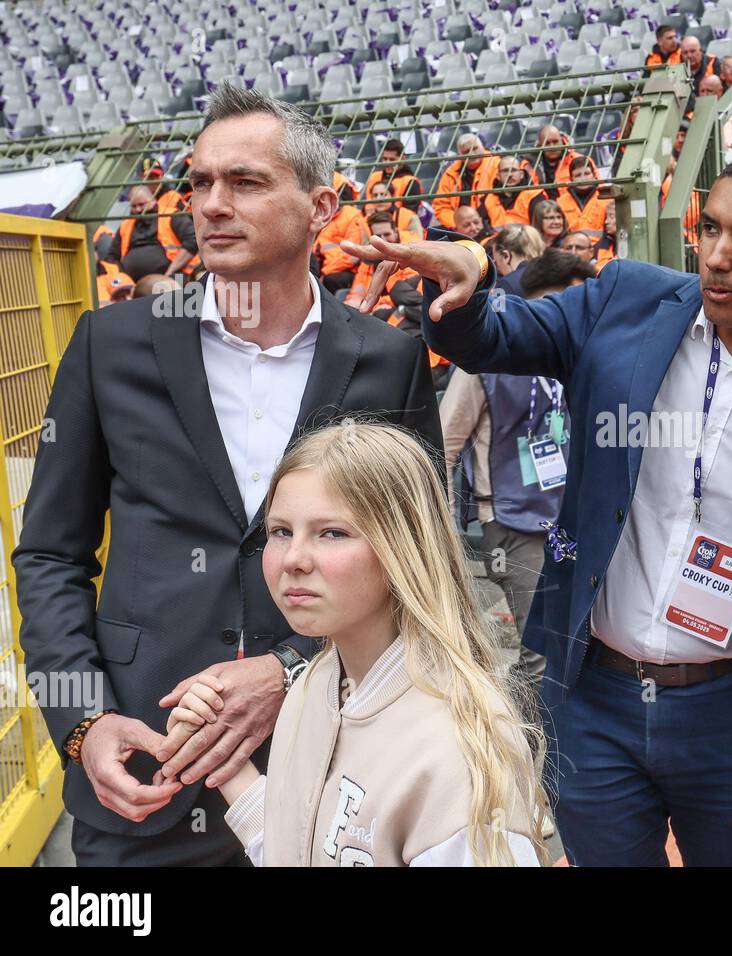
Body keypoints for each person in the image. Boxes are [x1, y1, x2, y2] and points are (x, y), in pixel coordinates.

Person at [343, 147, 732, 867]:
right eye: (713, 229)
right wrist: (470, 284)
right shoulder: (627, 300)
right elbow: (498, 336)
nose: (719, 257)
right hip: (593, 695)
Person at [13, 82, 443, 867]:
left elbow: (424, 570)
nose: (210, 204)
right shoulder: (110, 346)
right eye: (199, 182)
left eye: (245, 182)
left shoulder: (388, 361)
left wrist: (287, 671)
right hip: (144, 773)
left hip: (337, 773)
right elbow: (48, 555)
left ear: (321, 208)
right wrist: (85, 724)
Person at [162, 423, 545, 865]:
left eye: (333, 533)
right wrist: (219, 751)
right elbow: (298, 846)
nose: (294, 560)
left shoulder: (458, 751)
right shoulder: (313, 685)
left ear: (404, 546)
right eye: (281, 531)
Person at [439, 251, 594, 703]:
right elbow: (445, 446)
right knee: (539, 652)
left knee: (578, 645)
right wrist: (447, 533)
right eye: (559, 305)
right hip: (513, 522)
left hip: (573, 516)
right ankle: (532, 760)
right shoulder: (483, 363)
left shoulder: (585, 354)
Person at [104, 184, 200, 281]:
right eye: (134, 206)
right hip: (133, 284)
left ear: (153, 200)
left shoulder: (171, 216)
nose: (138, 209)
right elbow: (111, 256)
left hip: (176, 274)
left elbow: (192, 241)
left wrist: (170, 272)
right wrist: (123, 279)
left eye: (142, 205)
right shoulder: (126, 225)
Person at [434, 133, 500, 228]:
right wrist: (459, 225)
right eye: (466, 152)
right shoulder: (451, 173)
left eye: (475, 148)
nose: (471, 154)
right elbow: (442, 207)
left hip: (490, 223)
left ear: (483, 147)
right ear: (460, 155)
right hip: (459, 228)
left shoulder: (497, 165)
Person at [315, 199, 366, 295]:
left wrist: (325, 272)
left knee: (330, 280)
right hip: (325, 266)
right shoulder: (321, 217)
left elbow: (351, 256)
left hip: (346, 269)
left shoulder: (352, 216)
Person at [485, 154, 546, 227]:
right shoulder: (489, 199)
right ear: (498, 176)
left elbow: (540, 226)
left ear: (521, 174)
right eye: (505, 171)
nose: (510, 174)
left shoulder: (534, 195)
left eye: (513, 170)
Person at [488, 223, 548, 297]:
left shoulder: (508, 283)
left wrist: (490, 298)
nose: (498, 269)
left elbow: (497, 308)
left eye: (496, 262)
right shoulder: (551, 271)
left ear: (506, 256)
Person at [555, 155, 610, 234]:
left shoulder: (607, 199)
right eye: (578, 175)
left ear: (594, 175)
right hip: (570, 245)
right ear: (571, 179)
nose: (583, 178)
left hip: (601, 246)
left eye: (587, 173)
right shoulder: (560, 203)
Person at [364, 138, 421, 207]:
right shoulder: (374, 177)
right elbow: (368, 205)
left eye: (392, 159)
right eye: (385, 159)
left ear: (403, 159)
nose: (387, 163)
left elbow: (409, 213)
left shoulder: (410, 182)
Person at [533, 125, 581, 198]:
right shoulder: (530, 164)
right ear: (540, 145)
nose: (552, 147)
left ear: (561, 141)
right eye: (547, 143)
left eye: (555, 142)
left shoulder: (579, 160)